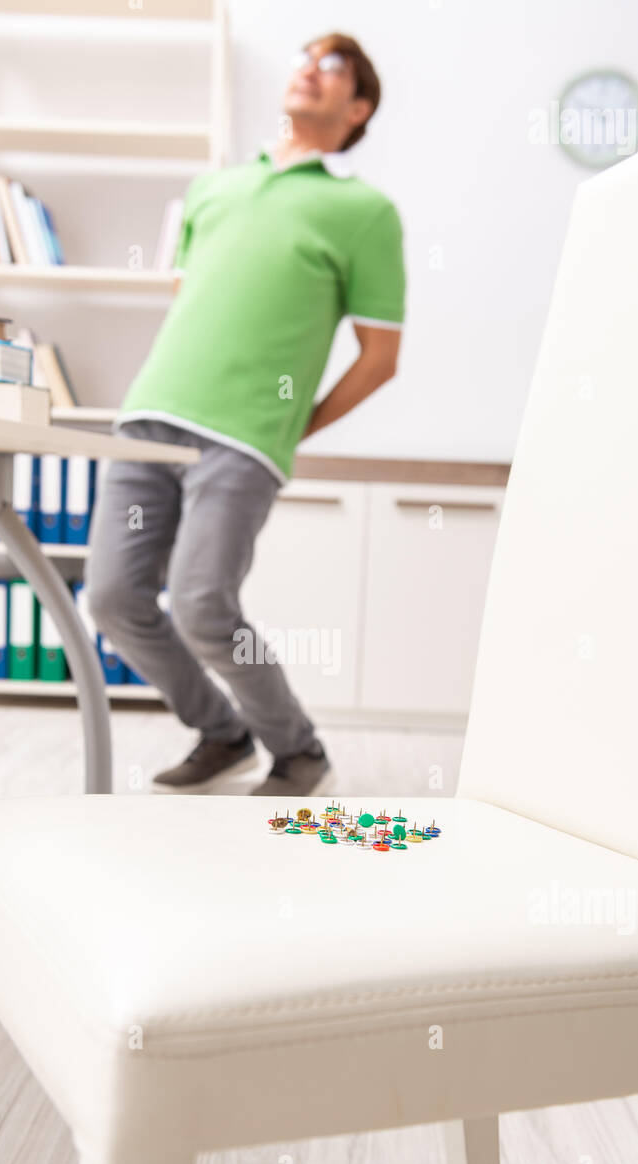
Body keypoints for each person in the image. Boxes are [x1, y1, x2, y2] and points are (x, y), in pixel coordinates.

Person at [86, 32, 406, 796]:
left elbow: (379, 357)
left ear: (357, 108)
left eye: (334, 66)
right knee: (111, 598)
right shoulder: (213, 189)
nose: (309, 70)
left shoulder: (363, 213)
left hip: (242, 443)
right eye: (306, 57)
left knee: (201, 603)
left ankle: (298, 750)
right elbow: (188, 302)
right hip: (149, 419)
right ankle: (220, 731)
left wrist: (289, 428)